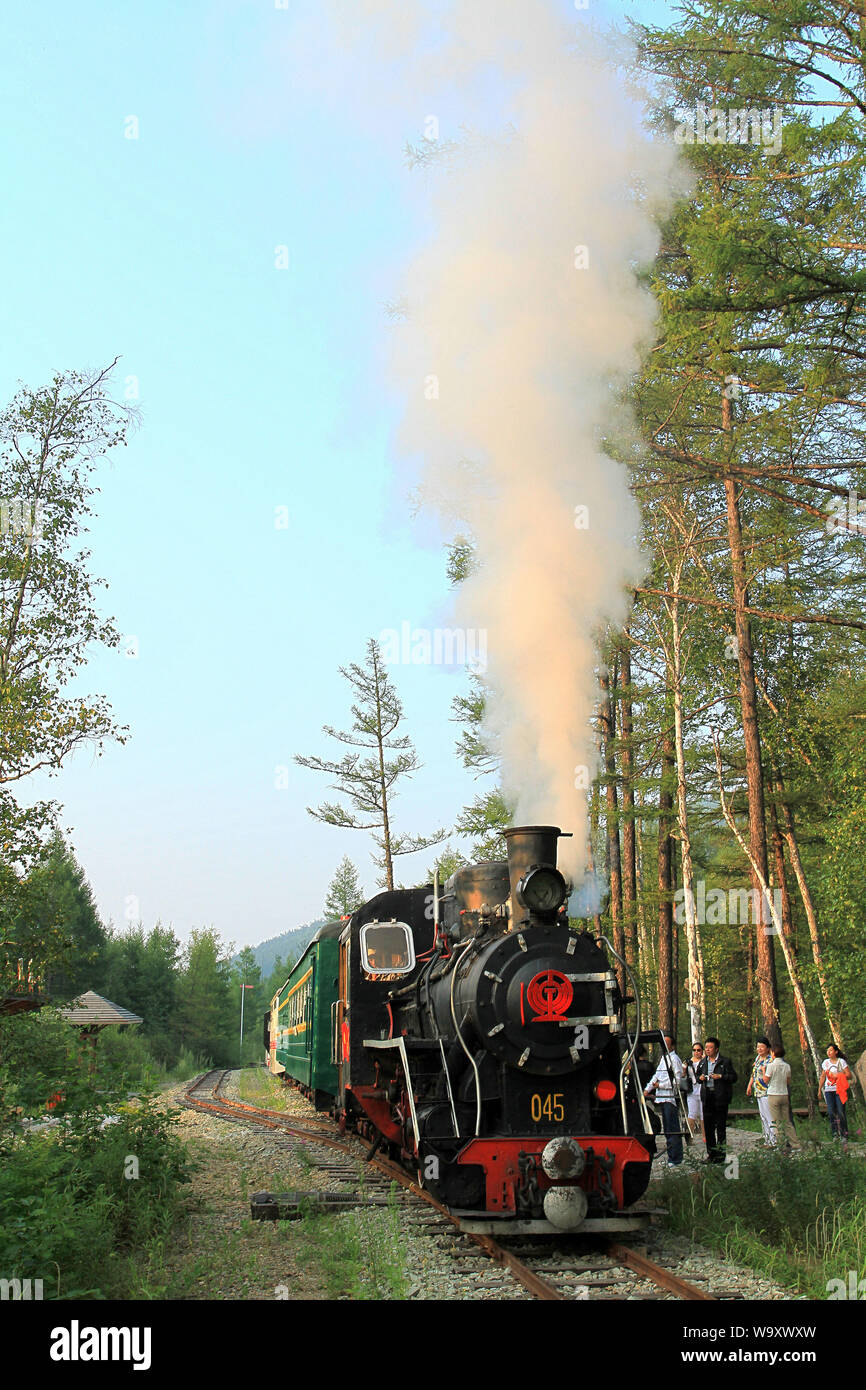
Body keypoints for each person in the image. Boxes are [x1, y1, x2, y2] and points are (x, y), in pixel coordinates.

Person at [695, 1037, 737, 1164]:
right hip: (707, 1097)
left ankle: (721, 1155)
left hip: (720, 1097)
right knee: (708, 1127)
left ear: (716, 1049)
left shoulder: (725, 1061)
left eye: (710, 1047)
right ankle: (711, 1154)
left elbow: (734, 1077)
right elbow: (697, 1076)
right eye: (706, 1047)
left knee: (720, 1127)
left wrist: (721, 1076)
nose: (707, 1050)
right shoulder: (703, 1062)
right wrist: (700, 1078)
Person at [644, 1033, 685, 1167]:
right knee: (667, 1127)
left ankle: (676, 1158)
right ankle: (671, 1156)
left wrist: (659, 1086)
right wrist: (647, 1089)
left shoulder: (675, 1060)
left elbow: (677, 1082)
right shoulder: (663, 1059)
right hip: (661, 1097)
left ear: (672, 1046)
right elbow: (657, 1075)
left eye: (667, 1043)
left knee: (672, 1128)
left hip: (670, 1098)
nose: (664, 1046)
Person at [760, 1044, 801, 1152]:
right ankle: (795, 1144)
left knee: (776, 1121)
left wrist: (763, 1070)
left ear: (773, 1053)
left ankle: (781, 1144)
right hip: (784, 1093)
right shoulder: (787, 1066)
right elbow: (788, 1081)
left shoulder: (771, 1066)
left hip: (773, 1094)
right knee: (787, 1121)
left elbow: (765, 1080)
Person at [822, 1044, 851, 1149]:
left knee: (841, 1111)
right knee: (831, 1111)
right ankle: (835, 1133)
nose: (828, 1052)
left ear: (836, 1052)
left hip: (839, 1090)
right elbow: (823, 1075)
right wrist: (819, 1089)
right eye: (827, 1050)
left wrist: (839, 1075)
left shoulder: (841, 1062)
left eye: (830, 1050)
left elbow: (849, 1075)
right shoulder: (825, 1062)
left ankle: (844, 1134)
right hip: (829, 1090)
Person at [745, 1037, 773, 1143]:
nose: (759, 1049)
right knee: (763, 1116)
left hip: (767, 1091)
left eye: (762, 1047)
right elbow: (754, 1074)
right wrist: (749, 1086)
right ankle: (767, 1139)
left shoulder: (770, 1060)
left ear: (767, 1048)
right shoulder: (757, 1058)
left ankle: (773, 1140)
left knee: (769, 1116)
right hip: (758, 1091)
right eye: (758, 1047)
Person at [683, 1042, 705, 1141]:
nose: (696, 1052)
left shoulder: (705, 1061)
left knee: (703, 1114)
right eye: (694, 1050)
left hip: (703, 1090)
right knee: (691, 1114)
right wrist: (684, 1067)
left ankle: (705, 1136)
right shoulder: (688, 1062)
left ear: (702, 1051)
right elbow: (683, 1075)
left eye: (698, 1050)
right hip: (692, 1090)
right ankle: (689, 1137)